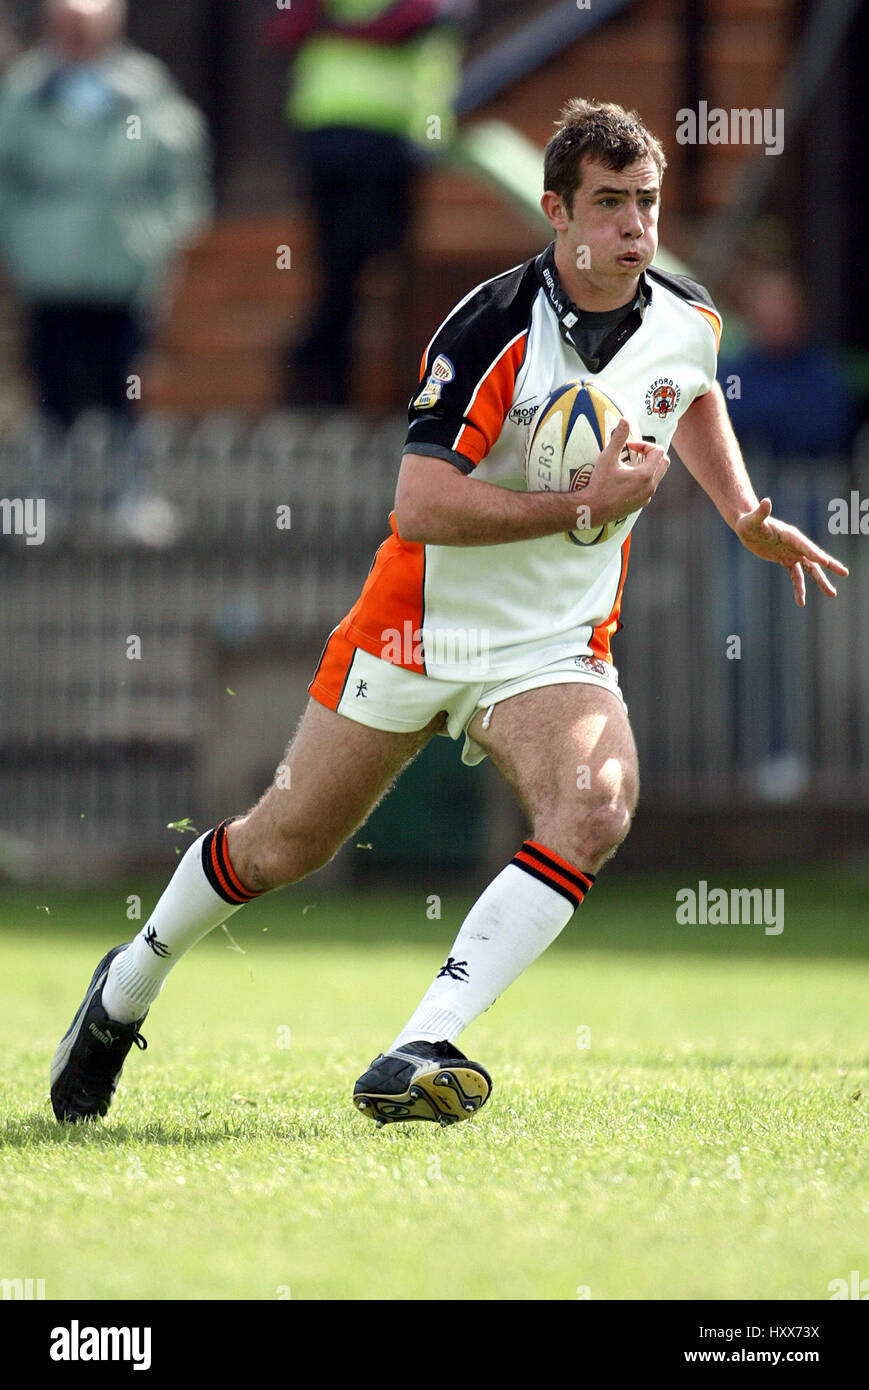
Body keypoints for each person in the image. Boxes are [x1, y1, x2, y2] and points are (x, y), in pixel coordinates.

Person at [50, 99, 847, 1127]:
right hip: (416, 626)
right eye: (608, 205)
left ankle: (418, 1042)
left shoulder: (686, 317)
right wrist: (581, 507)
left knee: (595, 804)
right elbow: (417, 505)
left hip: (551, 642)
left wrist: (740, 513)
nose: (633, 227)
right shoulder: (489, 325)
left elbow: (690, 391)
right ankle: (124, 991)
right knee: (282, 845)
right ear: (555, 211)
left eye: (644, 203)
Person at [0, 0, 212, 433]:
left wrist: (158, 235)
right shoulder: (27, 89)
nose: (78, 37)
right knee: (50, 380)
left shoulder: (145, 86)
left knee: (127, 380)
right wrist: (18, 240)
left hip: (122, 266)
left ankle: (125, 489)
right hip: (49, 269)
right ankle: (51, 487)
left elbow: (181, 167)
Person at [264, 0, 470, 407]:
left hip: (340, 138)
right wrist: (433, 133)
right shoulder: (424, 11)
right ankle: (355, 389)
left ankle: (335, 385)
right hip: (374, 142)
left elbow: (286, 35)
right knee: (369, 271)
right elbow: (436, 69)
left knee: (348, 273)